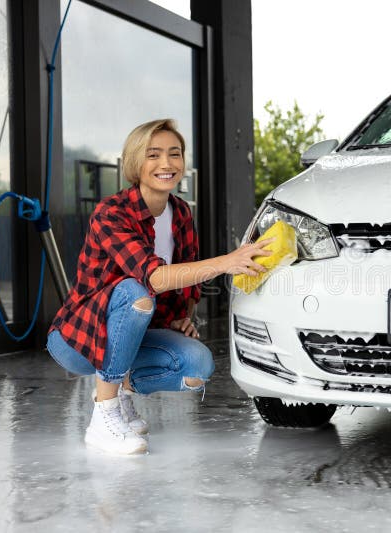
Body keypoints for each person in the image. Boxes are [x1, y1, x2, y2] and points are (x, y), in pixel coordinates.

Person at [47, 118, 271, 455]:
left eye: (174, 154)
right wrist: (227, 261)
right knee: (135, 293)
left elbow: (188, 289)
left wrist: (184, 317)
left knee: (197, 367)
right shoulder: (111, 213)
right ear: (136, 163)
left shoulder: (180, 213)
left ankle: (120, 391)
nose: (166, 164)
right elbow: (154, 277)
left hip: (134, 333)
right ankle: (103, 417)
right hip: (79, 340)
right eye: (153, 155)